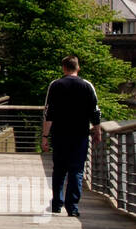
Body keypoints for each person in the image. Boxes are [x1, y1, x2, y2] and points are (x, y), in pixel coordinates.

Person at [41, 56, 102, 217]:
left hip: (60, 135)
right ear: (78, 68)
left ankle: (56, 204)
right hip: (80, 135)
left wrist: (45, 136)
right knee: (76, 170)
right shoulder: (87, 86)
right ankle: (72, 207)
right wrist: (97, 130)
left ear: (63, 68)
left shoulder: (55, 85)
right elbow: (95, 112)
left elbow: (48, 113)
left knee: (59, 170)